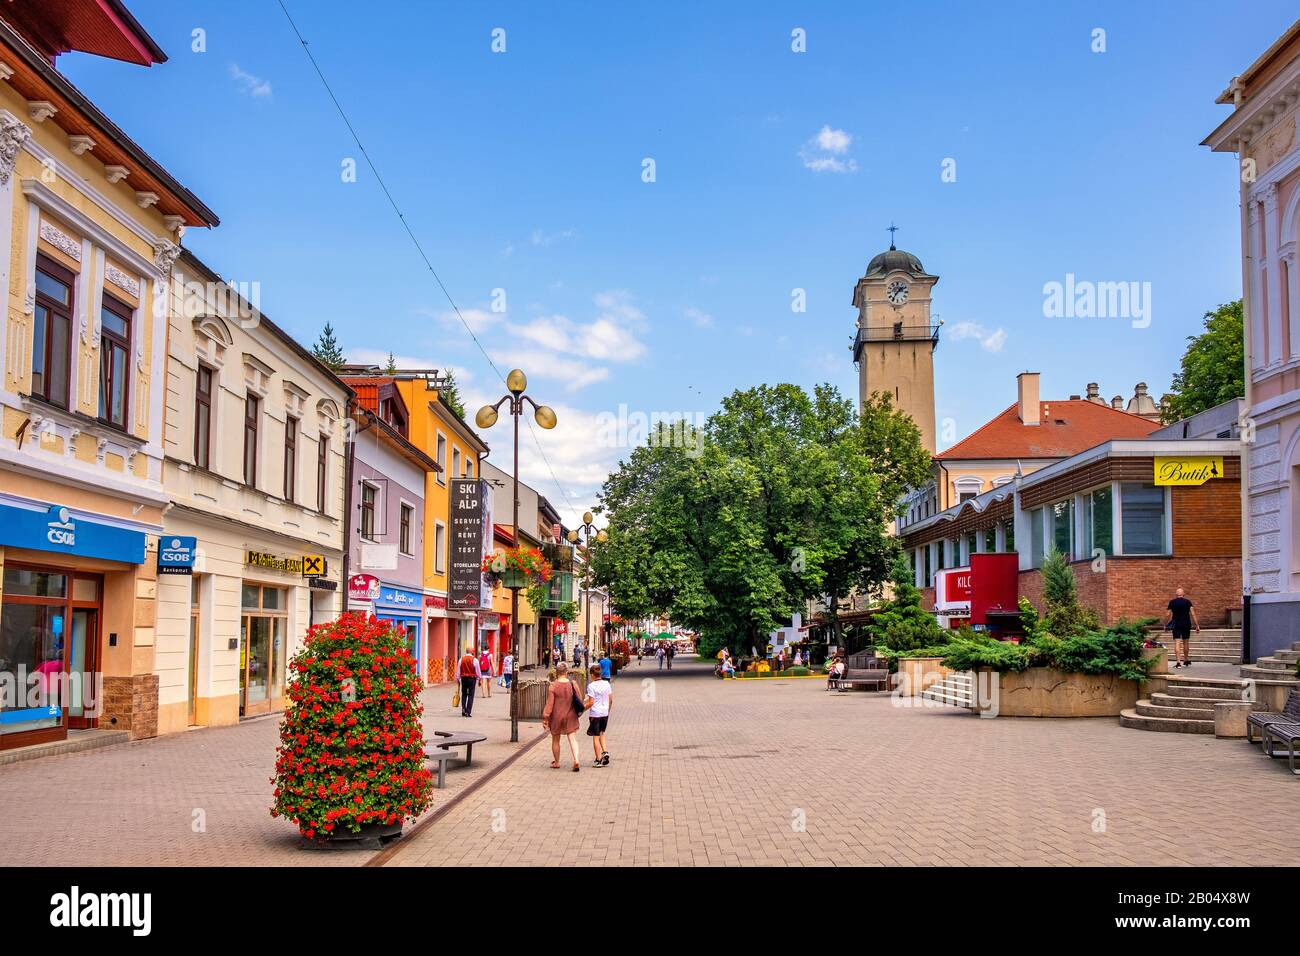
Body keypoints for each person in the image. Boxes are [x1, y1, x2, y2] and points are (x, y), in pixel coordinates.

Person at [542, 661, 583, 772]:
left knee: (555, 739)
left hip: (556, 717)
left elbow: (549, 704)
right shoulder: (572, 684)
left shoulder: (553, 686)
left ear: (556, 672)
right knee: (572, 739)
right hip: (571, 716)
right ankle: (576, 759)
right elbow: (579, 698)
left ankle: (557, 762)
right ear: (566, 672)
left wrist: (545, 717)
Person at [584, 663, 613, 766]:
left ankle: (598, 759)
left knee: (596, 736)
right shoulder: (607, 684)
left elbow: (591, 702)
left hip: (595, 714)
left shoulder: (591, 686)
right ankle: (605, 752)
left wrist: (582, 710)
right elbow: (610, 699)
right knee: (602, 733)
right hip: (605, 713)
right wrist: (607, 710)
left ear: (592, 674)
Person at [1164, 587, 1200, 669]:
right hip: (1186, 623)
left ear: (1176, 594)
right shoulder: (1188, 602)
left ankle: (1178, 663)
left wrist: (1165, 624)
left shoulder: (1172, 602)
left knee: (1177, 641)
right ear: (1183, 594)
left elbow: (1167, 614)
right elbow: (1193, 614)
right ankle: (1186, 660)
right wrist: (1197, 625)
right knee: (1186, 642)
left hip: (1176, 624)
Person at [458, 645, 480, 717]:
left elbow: (459, 670)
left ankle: (463, 709)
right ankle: (468, 712)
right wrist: (479, 678)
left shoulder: (461, 659)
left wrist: (458, 679)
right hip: (472, 678)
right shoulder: (475, 660)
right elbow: (478, 671)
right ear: (472, 652)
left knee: (464, 694)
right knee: (471, 695)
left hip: (463, 678)